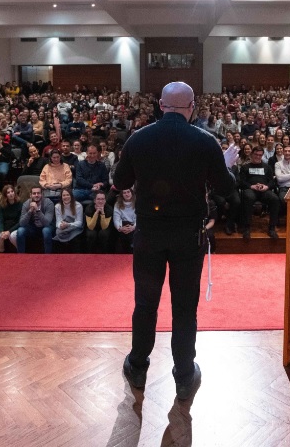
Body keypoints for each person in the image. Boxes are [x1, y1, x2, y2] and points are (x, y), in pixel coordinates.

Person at [113, 81, 238, 401]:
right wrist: (225, 164)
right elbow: (225, 188)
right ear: (191, 107)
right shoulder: (205, 141)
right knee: (184, 308)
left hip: (149, 235)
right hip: (188, 237)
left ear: (161, 105)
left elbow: (120, 181)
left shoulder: (139, 139)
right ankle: (184, 374)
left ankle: (138, 366)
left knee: (145, 304)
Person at [239, 146, 281, 240]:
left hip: (264, 190)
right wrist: (251, 186)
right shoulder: (245, 167)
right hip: (251, 189)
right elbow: (241, 182)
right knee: (248, 197)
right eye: (256, 154)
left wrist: (267, 187)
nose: (258, 157)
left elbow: (272, 181)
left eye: (260, 155)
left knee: (274, 199)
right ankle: (246, 227)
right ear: (251, 154)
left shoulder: (267, 167)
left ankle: (272, 228)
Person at [16, 185, 55, 254]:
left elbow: (47, 223)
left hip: (46, 226)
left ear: (42, 194)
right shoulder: (26, 204)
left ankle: (48, 256)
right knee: (20, 230)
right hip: (32, 227)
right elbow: (21, 223)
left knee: (46, 230)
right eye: (34, 193)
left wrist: (37, 210)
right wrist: (30, 211)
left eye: (38, 193)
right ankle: (20, 256)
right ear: (30, 195)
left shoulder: (48, 203)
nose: (36, 195)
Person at [0, 184, 23, 253]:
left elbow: (20, 221)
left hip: (16, 227)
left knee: (13, 236)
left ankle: (19, 251)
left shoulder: (20, 204)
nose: (11, 194)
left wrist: (9, 231)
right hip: (5, 226)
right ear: (5, 195)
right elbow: (0, 220)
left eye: (12, 191)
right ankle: (2, 252)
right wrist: (2, 231)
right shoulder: (2, 205)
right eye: (8, 192)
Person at [54, 188, 84, 252]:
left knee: (75, 237)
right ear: (61, 197)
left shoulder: (78, 206)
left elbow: (79, 222)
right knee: (58, 233)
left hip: (74, 226)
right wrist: (61, 225)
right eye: (64, 195)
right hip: (63, 227)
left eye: (67, 195)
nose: (66, 197)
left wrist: (68, 224)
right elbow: (58, 222)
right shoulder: (57, 206)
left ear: (71, 196)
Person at [113, 187, 137, 253]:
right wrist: (120, 228)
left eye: (128, 192)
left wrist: (133, 227)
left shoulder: (137, 203)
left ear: (132, 193)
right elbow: (116, 218)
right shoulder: (117, 204)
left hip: (133, 226)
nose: (127, 194)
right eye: (124, 193)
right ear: (122, 195)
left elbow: (138, 218)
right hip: (122, 226)